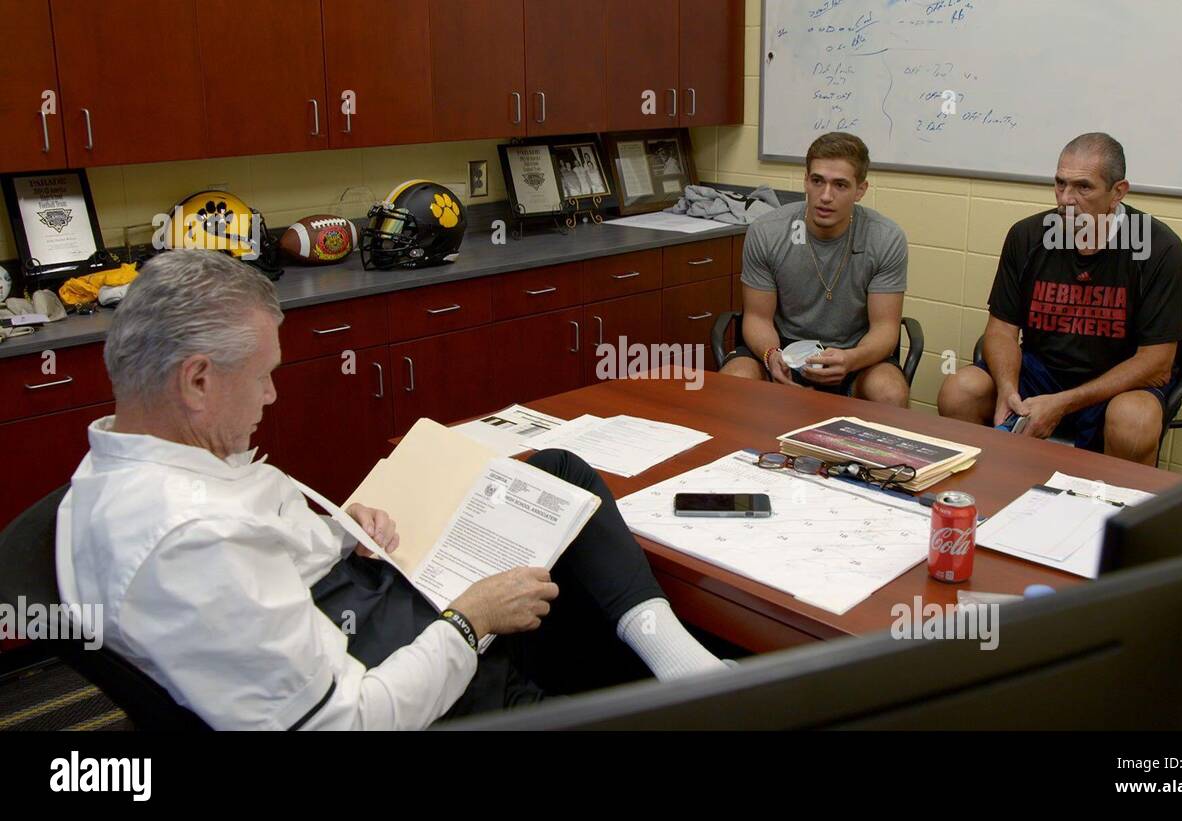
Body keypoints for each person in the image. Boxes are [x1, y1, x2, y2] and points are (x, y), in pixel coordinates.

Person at [55, 250, 726, 730]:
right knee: (568, 594)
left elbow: (261, 541)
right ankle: (689, 684)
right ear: (197, 380)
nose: (271, 395)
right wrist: (473, 618)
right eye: (262, 376)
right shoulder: (190, 540)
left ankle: (679, 667)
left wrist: (339, 534)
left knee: (557, 471)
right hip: (396, 676)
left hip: (358, 599)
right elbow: (348, 720)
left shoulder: (125, 456)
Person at [937, 133, 1182, 465]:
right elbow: (1000, 330)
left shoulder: (1158, 247)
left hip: (1116, 383)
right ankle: (984, 498)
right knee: (960, 391)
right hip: (1041, 373)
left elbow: (1157, 363)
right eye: (1060, 184)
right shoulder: (1028, 236)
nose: (1066, 200)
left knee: (1135, 421)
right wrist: (1007, 388)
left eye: (1083, 187)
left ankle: (1114, 512)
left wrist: (1064, 402)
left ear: (1118, 192)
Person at [721, 131, 910, 405]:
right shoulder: (767, 231)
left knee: (890, 392)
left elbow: (885, 328)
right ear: (805, 181)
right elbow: (757, 318)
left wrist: (851, 359)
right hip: (782, 350)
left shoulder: (885, 238)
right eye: (817, 181)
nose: (825, 196)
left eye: (840, 185)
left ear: (860, 190)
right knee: (733, 381)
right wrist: (771, 355)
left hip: (854, 355)